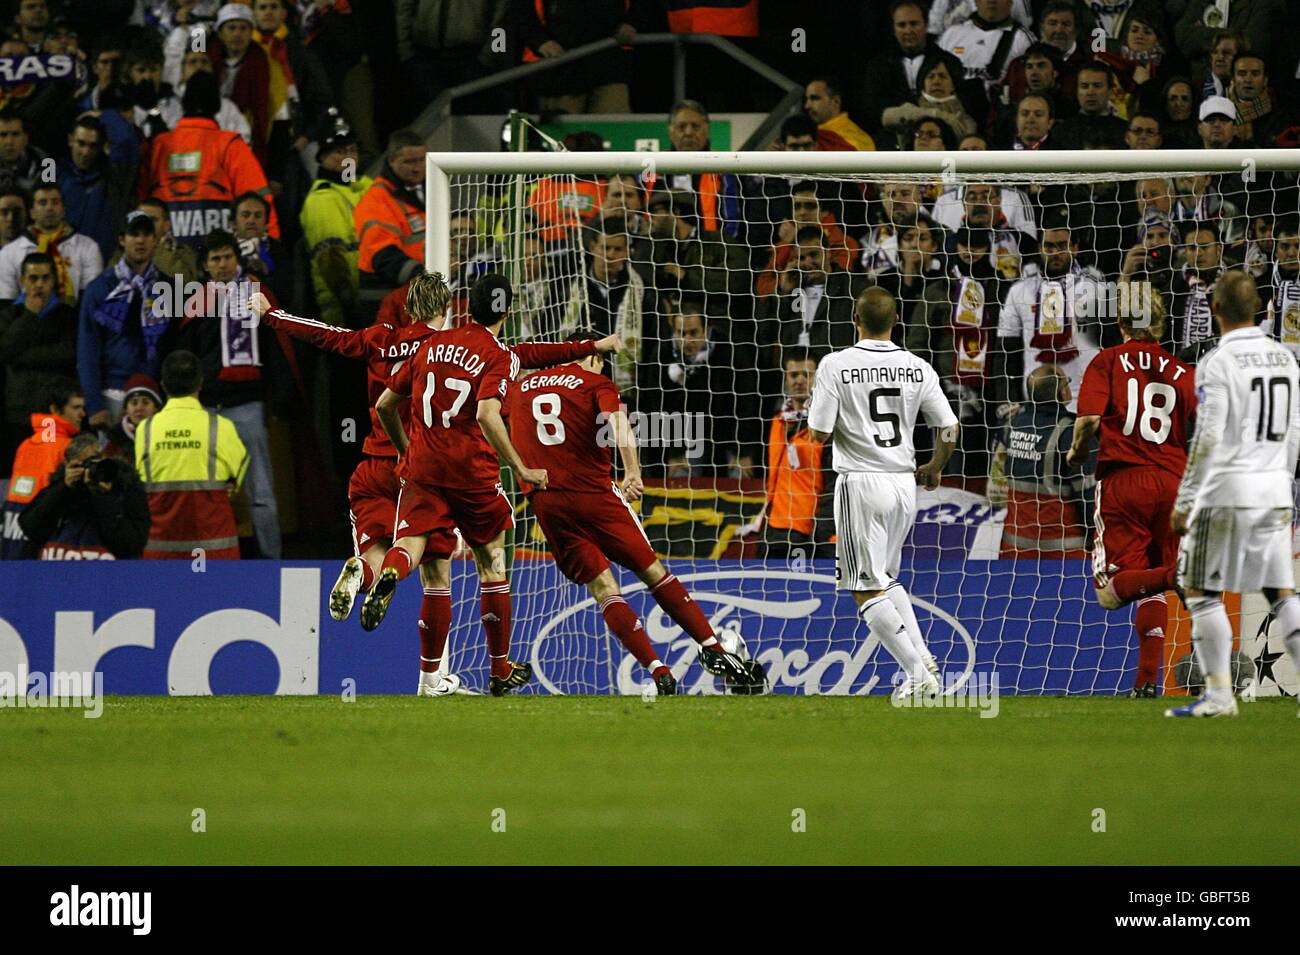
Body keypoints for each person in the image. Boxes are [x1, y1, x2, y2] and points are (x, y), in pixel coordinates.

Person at [246, 275, 615, 661]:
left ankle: (365, 573)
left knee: (386, 548)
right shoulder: (446, 346)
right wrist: (589, 346)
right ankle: (444, 672)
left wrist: (273, 316)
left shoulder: (381, 337)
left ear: (408, 308)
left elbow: (329, 336)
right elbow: (524, 354)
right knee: (447, 567)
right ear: (448, 308)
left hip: (375, 460)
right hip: (428, 466)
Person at [506, 341, 765, 695]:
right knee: (653, 573)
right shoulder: (594, 383)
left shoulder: (520, 388)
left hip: (547, 503)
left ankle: (658, 671)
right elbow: (619, 424)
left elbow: (491, 417)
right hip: (595, 497)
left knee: (604, 589)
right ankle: (713, 648)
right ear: (593, 358)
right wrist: (632, 472)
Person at [366, 272, 546, 695]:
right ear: (508, 309)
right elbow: (486, 414)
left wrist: (407, 449)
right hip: (470, 470)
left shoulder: (430, 345)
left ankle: (392, 578)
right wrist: (520, 466)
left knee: (424, 563)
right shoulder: (498, 354)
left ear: (467, 306)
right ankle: (499, 669)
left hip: (423, 468)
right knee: (492, 562)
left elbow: (385, 405)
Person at [806, 286, 959, 700]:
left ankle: (917, 675)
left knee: (863, 586)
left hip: (861, 481)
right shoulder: (917, 366)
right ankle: (924, 658)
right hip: (904, 484)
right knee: (886, 578)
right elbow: (949, 428)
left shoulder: (835, 364)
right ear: (896, 321)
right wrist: (935, 466)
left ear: (854, 320)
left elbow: (818, 433)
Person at [1167, 270, 1300, 717]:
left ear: (1215, 309)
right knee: (1282, 592)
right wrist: (1280, 478)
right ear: (1260, 307)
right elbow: (1295, 430)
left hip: (1228, 487)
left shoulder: (1217, 361)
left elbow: (1207, 436)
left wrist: (1186, 500)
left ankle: (1221, 696)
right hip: (1275, 486)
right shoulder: (1285, 358)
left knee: (1200, 590)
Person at [1067, 290, 1196, 698]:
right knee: (1150, 586)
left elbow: (1088, 420)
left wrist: (1076, 451)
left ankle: (1176, 576)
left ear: (1121, 323)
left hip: (1125, 481)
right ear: (1160, 326)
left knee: (1110, 591)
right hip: (1173, 484)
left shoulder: (1105, 361)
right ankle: (1146, 683)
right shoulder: (1184, 371)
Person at [173, 228, 291, 558]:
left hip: (248, 405)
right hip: (206, 408)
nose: (222, 264)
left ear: (236, 259)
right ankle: (208, 557)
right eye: (215, 259)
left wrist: (280, 396)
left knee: (261, 490)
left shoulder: (258, 293)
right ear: (206, 265)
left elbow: (276, 345)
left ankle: (273, 563)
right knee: (204, 490)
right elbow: (185, 355)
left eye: (227, 256)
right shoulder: (196, 300)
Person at [138, 348, 248, 560]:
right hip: (214, 550)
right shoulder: (221, 427)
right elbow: (236, 480)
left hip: (161, 551)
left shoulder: (146, 429)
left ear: (163, 385)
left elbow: (142, 479)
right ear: (200, 383)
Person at [997, 212, 1107, 409]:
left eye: (1062, 246)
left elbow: (1111, 342)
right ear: (1040, 248)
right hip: (1035, 401)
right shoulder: (1019, 291)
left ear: (1074, 248)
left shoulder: (1096, 288)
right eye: (1049, 246)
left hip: (1085, 399)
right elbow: (1007, 351)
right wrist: (1007, 398)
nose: (1055, 252)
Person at [999, 364, 1092, 559]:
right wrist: (1094, 539)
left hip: (1014, 548)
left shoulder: (1011, 425)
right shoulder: (1072, 433)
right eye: (1067, 382)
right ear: (1061, 393)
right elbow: (1088, 495)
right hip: (1063, 552)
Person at [18, 431, 150, 559]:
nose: (89, 469)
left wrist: (102, 496)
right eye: (83, 465)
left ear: (104, 457)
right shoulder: (60, 489)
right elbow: (31, 528)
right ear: (68, 466)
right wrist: (63, 487)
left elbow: (130, 545)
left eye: (94, 461)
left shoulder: (126, 488)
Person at [756, 347, 833, 559]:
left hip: (807, 533)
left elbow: (834, 486)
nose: (799, 380)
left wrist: (823, 533)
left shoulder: (828, 426)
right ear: (785, 378)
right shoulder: (776, 421)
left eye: (806, 375)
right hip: (772, 530)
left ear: (818, 378)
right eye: (793, 375)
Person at [0, 251, 77, 457]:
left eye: (45, 278)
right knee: (18, 472)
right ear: (22, 281)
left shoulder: (67, 315)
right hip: (17, 416)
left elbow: (66, 354)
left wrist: (20, 357)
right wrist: (29, 316)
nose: (39, 284)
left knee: (48, 467)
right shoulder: (9, 315)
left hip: (51, 415)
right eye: (33, 278)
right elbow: (3, 352)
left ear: (54, 280)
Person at [300, 110, 370, 330]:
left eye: (352, 150)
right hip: (345, 316)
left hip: (374, 303)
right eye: (340, 151)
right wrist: (350, 307)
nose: (349, 158)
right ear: (322, 157)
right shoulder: (322, 198)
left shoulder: (366, 187)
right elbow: (331, 260)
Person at [355, 128, 426, 321]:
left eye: (421, 160)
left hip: (413, 294)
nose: (417, 167)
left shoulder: (425, 191)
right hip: (383, 298)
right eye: (409, 161)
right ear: (392, 160)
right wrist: (424, 276)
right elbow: (382, 253)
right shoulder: (376, 199)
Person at [0, 183, 103, 305]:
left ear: (63, 210)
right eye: (42, 203)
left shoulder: (88, 247)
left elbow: (91, 299)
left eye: (55, 202)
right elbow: (6, 304)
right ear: (32, 212)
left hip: (72, 320)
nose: (49, 208)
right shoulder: (9, 253)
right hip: (26, 321)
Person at [102, 373, 163, 461]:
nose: (139, 408)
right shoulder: (116, 438)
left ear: (156, 408)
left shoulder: (165, 433)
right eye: (134, 403)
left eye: (145, 403)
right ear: (126, 409)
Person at [803, 77, 875, 152]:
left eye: (815, 98)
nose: (807, 106)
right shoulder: (814, 134)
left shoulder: (855, 142)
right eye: (807, 99)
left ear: (836, 101)